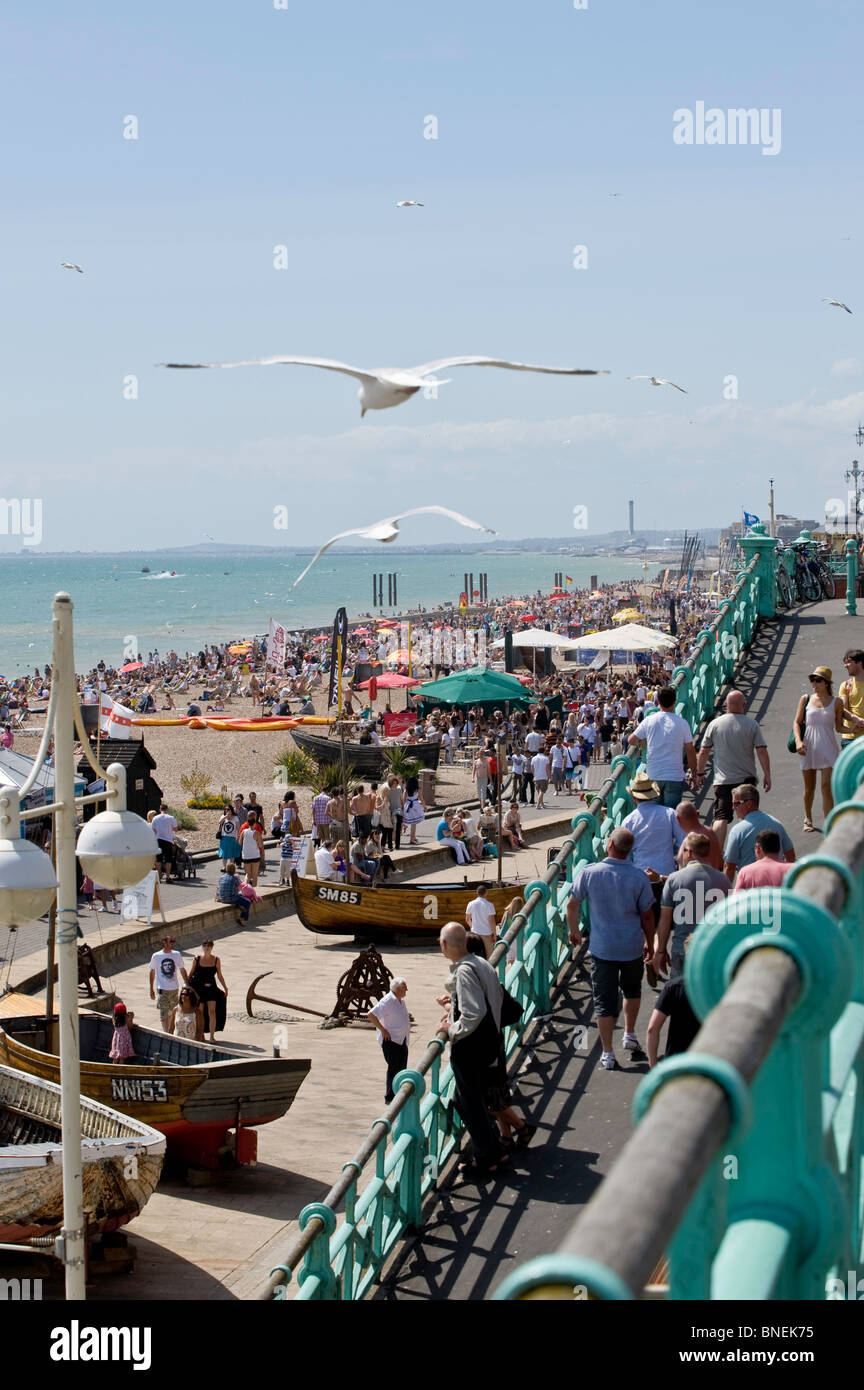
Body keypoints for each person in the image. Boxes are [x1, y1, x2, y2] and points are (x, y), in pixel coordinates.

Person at [566, 827, 655, 1071]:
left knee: (603, 1002)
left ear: (610, 845)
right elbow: (647, 916)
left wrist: (573, 931)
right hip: (631, 947)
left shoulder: (590, 872)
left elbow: (571, 905)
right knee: (632, 991)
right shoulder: (639, 877)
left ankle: (607, 1052)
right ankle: (629, 1033)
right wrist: (651, 942)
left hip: (602, 948)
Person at [438, 923, 507, 1178]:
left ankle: (486, 1157)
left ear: (445, 945)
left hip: (471, 1049)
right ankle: (493, 1149)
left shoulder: (465, 972)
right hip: (489, 1044)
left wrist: (451, 1029)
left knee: (471, 1103)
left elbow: (474, 1012)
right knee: (464, 1100)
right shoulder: (482, 964)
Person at [696, 690, 771, 853]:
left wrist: (699, 773)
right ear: (743, 705)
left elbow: (703, 751)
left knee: (721, 818)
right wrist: (767, 775)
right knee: (749, 817)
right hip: (747, 781)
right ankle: (750, 853)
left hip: (723, 780)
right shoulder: (752, 725)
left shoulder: (715, 724)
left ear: (726, 705)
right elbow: (761, 750)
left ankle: (716, 855)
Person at [654, 833, 730, 980]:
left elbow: (665, 919)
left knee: (680, 998)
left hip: (682, 949)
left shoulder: (674, 880)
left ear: (689, 853)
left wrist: (661, 951)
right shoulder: (723, 880)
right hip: (712, 949)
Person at [793, 666, 846, 831]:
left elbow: (839, 727)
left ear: (827, 683)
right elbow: (796, 722)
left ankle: (828, 823)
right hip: (808, 747)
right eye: (812, 680)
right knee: (809, 788)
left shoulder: (836, 702)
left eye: (818, 680)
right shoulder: (806, 698)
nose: (814, 683)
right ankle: (807, 818)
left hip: (828, 747)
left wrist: (853, 729)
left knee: (826, 787)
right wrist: (798, 742)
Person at [627, 687, 700, 806]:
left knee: (656, 813)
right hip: (674, 775)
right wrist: (694, 773)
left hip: (654, 774)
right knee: (671, 815)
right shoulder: (682, 723)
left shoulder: (649, 720)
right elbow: (690, 751)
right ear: (675, 701)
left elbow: (631, 740)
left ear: (658, 702)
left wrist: (644, 739)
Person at [722, 785, 795, 883]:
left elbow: (729, 867)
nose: (733, 808)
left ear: (749, 803)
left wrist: (725, 894)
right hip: (777, 886)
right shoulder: (777, 824)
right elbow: (790, 855)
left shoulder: (737, 831)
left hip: (751, 886)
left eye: (736, 804)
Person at [621, 773, 686, 876]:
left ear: (634, 797)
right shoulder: (670, 814)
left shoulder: (628, 821)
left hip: (640, 874)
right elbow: (683, 842)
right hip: (666, 872)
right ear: (653, 794)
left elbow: (625, 854)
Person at [646, 959, 701, 1066]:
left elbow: (652, 1029)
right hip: (710, 1060)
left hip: (677, 1061)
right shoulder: (720, 988)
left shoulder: (674, 987)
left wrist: (653, 1063)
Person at [368, 978, 411, 1102]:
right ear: (397, 989)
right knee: (393, 1068)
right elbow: (371, 1014)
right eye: (404, 988)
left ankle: (400, 1092)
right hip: (391, 1040)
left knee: (402, 1067)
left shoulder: (401, 1000)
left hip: (401, 1039)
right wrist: (383, 1029)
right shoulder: (387, 1001)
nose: (407, 990)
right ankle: (390, 1096)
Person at [188, 941, 228, 1043]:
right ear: (202, 947)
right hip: (199, 989)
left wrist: (225, 987)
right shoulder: (197, 959)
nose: (207, 948)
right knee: (200, 1013)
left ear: (212, 947)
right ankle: (201, 1035)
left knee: (212, 1012)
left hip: (211, 988)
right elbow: (191, 973)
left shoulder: (216, 960)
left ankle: (212, 1036)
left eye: (209, 946)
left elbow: (219, 975)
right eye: (205, 946)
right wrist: (187, 986)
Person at [148, 935, 189, 1034]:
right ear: (164, 943)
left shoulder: (176, 954)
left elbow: (182, 969)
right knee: (163, 1012)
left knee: (172, 1012)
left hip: (174, 988)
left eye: (173, 942)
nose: (172, 944)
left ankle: (170, 1031)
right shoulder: (156, 956)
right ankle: (166, 1032)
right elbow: (152, 971)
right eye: (170, 942)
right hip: (162, 988)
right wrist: (151, 989)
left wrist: (187, 983)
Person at [674, 801, 724, 870]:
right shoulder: (711, 832)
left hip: (700, 880)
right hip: (713, 877)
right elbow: (720, 862)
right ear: (698, 814)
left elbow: (700, 872)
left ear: (678, 819)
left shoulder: (692, 840)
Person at [838, 649, 864, 748]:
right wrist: (857, 720)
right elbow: (842, 710)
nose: (845, 665)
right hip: (850, 739)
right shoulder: (845, 685)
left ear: (859, 663)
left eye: (849, 662)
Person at [465, 883, 497, 958]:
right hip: (486, 933)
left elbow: (467, 919)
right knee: (489, 956)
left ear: (477, 893)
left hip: (475, 933)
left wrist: (472, 927)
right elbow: (492, 921)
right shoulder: (489, 905)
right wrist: (494, 934)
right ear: (486, 893)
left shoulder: (471, 904)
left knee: (475, 955)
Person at [151, 802, 178, 884]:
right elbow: (176, 829)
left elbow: (153, 830)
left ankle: (159, 876)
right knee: (168, 859)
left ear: (160, 810)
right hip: (168, 840)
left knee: (158, 859)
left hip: (158, 839)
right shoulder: (171, 818)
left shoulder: (155, 818)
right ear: (167, 809)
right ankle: (168, 877)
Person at [238, 810, 263, 886]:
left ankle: (245, 888)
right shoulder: (257, 833)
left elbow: (240, 843)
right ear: (254, 823)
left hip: (246, 855)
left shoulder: (244, 831)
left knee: (248, 874)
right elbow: (260, 845)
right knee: (255, 875)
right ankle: (254, 891)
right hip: (255, 855)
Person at [402, 777, 425, 846]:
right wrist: (424, 806)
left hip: (408, 805)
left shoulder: (406, 789)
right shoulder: (418, 789)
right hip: (415, 805)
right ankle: (412, 839)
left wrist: (403, 808)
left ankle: (405, 827)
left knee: (405, 819)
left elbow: (403, 800)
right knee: (414, 823)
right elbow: (421, 798)